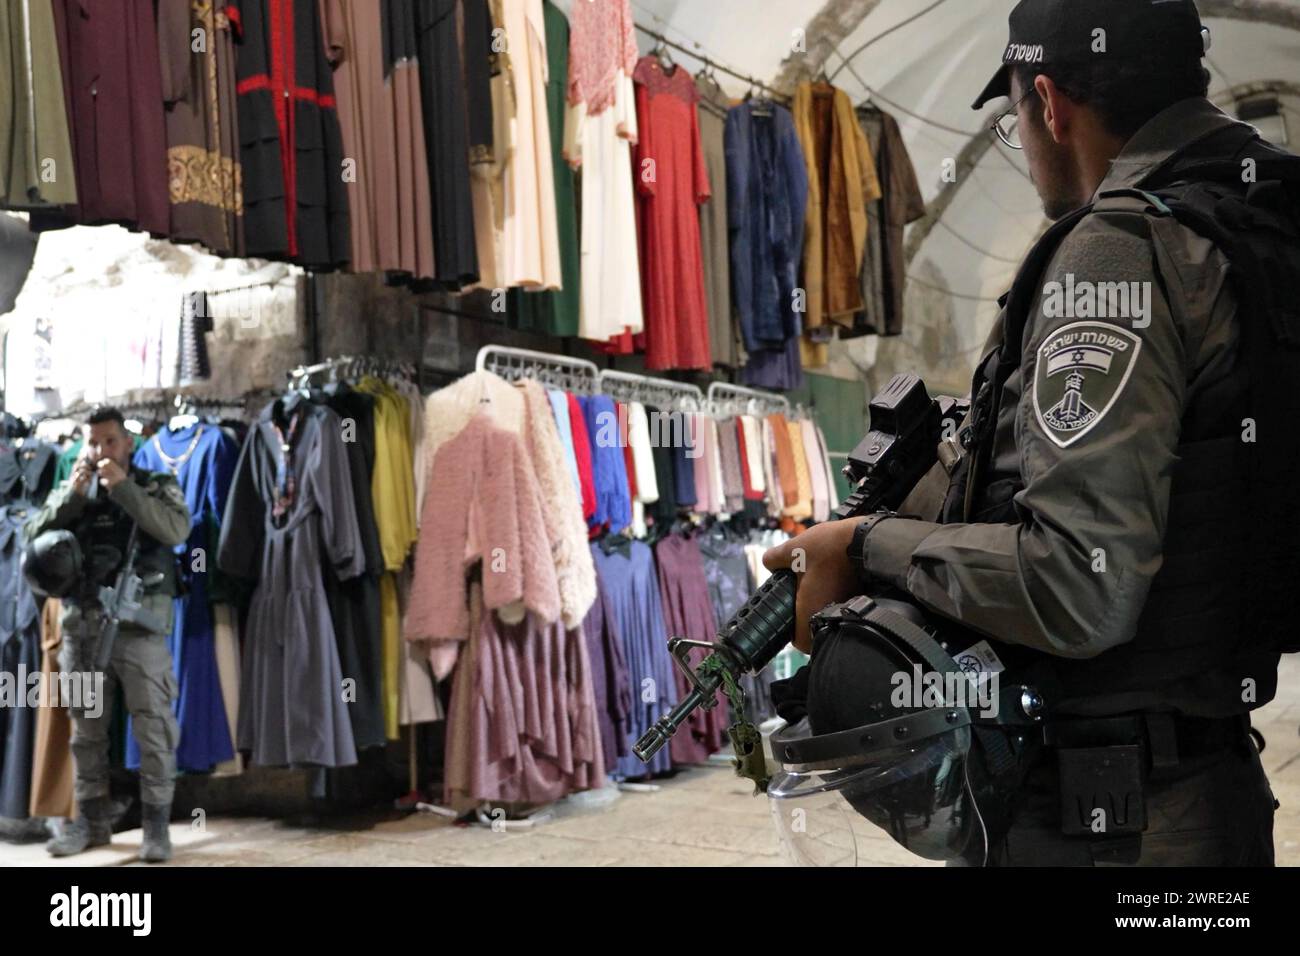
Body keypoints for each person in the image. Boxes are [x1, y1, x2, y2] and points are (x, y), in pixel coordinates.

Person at [764, 0, 1294, 865]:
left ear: (1049, 102)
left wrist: (864, 544)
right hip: (1208, 787)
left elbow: (1078, 589)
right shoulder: (1262, 215)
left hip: (1111, 820)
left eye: (1014, 117)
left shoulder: (1121, 246)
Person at [24, 407, 190, 862]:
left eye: (109, 442)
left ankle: (157, 830)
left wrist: (124, 488)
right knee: (86, 734)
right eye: (92, 443)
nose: (99, 452)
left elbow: (174, 528)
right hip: (84, 629)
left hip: (140, 629)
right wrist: (71, 497)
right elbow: (32, 539)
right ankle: (91, 823)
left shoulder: (155, 485)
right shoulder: (74, 490)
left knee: (153, 728)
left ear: (128, 444)